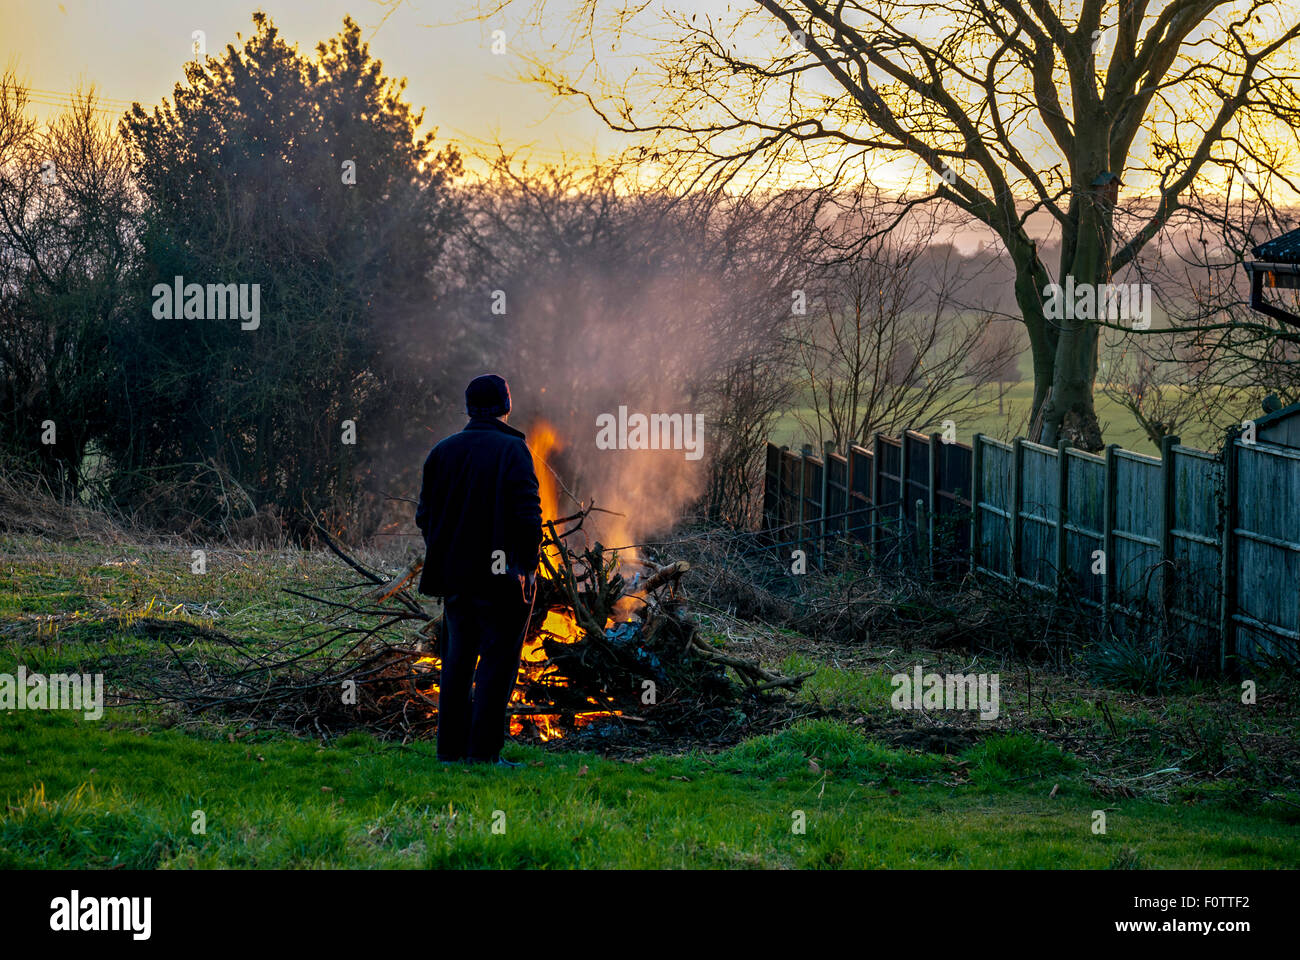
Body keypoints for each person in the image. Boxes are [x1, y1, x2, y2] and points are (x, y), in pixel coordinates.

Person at [415, 374, 542, 766]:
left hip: (454, 577)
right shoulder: (513, 450)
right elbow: (528, 519)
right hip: (502, 580)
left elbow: (424, 517)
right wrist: (527, 568)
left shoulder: (442, 451)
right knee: (497, 664)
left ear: (468, 408)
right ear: (507, 405)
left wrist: (448, 553)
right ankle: (484, 754)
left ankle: (449, 752)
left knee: (456, 663)